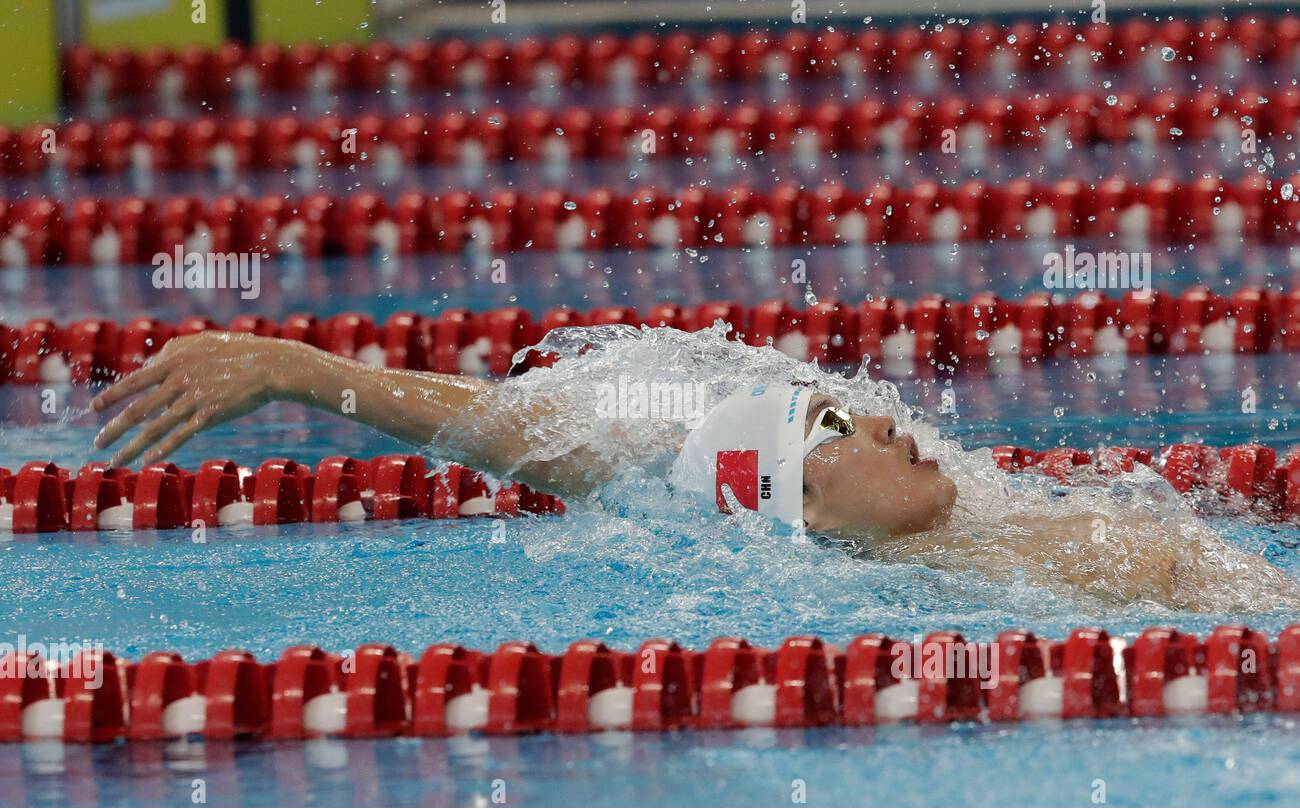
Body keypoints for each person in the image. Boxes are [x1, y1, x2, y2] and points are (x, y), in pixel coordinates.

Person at [89, 329, 1297, 609]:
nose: (882, 422)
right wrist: (295, 369)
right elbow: (538, 437)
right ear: (796, 506)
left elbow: (540, 426)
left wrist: (292, 361)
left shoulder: (988, 527)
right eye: (835, 432)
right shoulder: (950, 589)